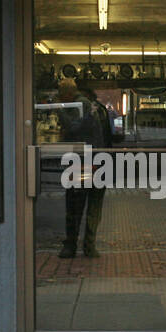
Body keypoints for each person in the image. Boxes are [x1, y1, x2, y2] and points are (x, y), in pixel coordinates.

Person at [57, 77, 109, 258]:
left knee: (74, 205)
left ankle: (71, 245)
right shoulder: (97, 109)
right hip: (99, 161)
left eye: (61, 96)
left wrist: (58, 110)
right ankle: (89, 246)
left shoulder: (78, 105)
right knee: (94, 207)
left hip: (83, 162)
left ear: (67, 93)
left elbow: (72, 128)